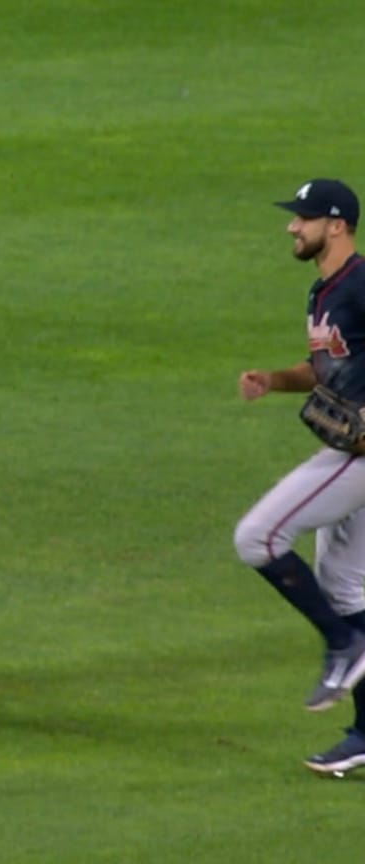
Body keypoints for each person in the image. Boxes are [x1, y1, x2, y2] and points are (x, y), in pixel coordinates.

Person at [233, 179, 365, 774]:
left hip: (358, 459)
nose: (292, 227)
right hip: (351, 450)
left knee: (258, 537)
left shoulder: (361, 283)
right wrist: (272, 379)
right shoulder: (323, 292)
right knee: (348, 590)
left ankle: (342, 644)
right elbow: (322, 367)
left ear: (336, 225)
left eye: (304, 218)